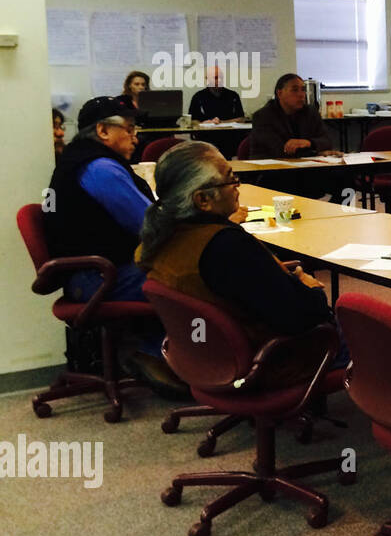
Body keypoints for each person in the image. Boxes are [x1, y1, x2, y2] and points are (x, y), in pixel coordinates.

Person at [137, 141, 346, 385]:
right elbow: (300, 318)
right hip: (270, 359)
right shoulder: (226, 246)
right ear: (202, 200)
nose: (237, 187)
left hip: (208, 356)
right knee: (376, 340)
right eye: (230, 179)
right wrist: (311, 289)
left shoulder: (161, 235)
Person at [45, 96, 155, 304]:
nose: (135, 138)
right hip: (99, 279)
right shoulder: (101, 168)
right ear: (103, 131)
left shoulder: (80, 157)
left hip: (94, 272)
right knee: (194, 276)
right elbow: (152, 226)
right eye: (129, 129)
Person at [248, 73, 339, 159]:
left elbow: (327, 141)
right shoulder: (263, 116)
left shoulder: (310, 112)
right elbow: (280, 150)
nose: (301, 95)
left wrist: (309, 143)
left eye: (303, 90)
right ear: (280, 93)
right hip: (270, 169)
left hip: (305, 166)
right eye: (294, 90)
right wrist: (316, 152)